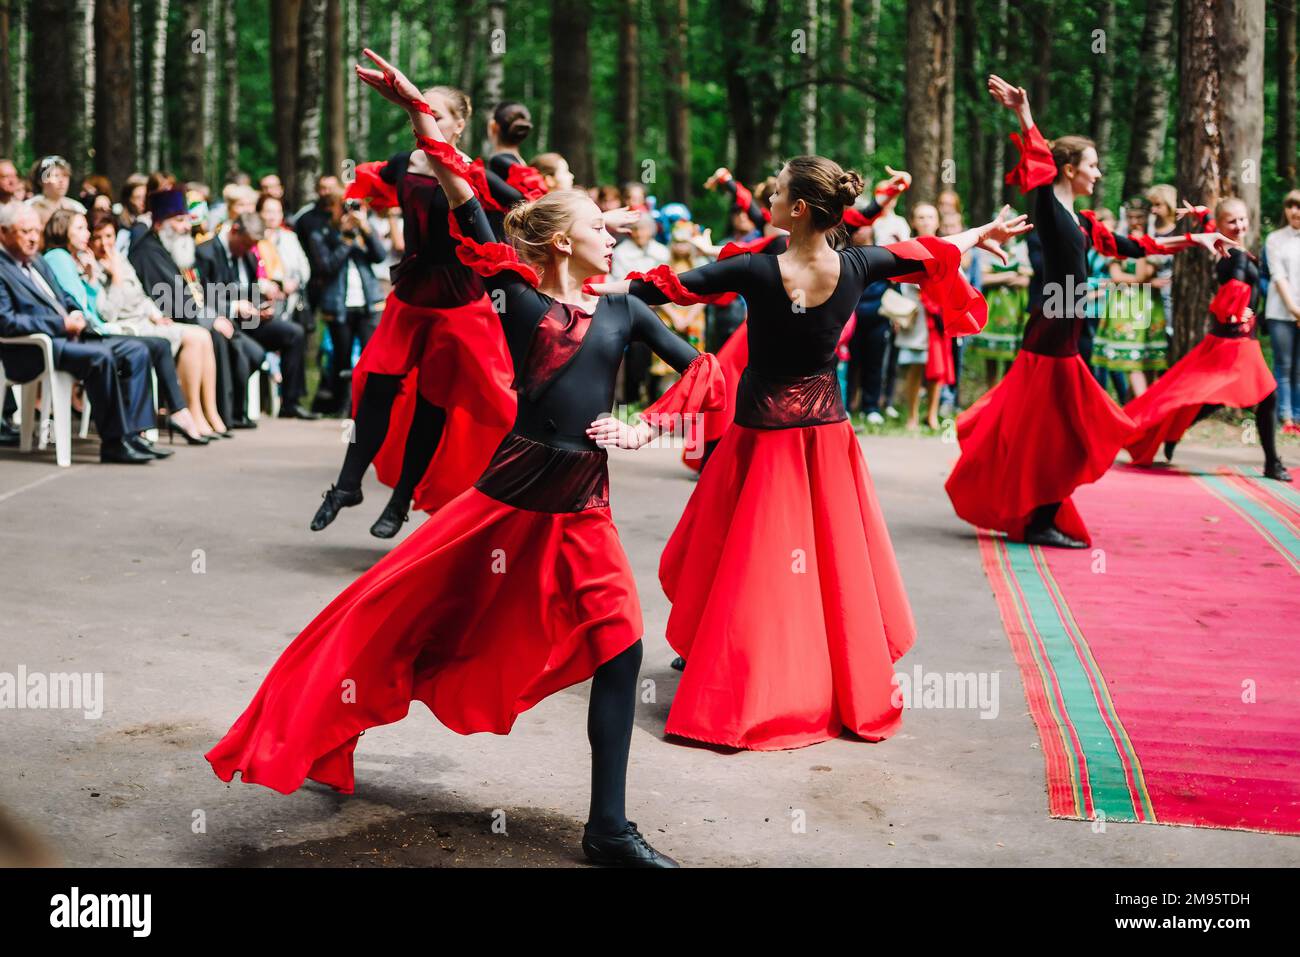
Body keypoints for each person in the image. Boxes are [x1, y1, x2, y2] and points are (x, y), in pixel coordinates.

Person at [207, 50, 728, 868]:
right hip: (506, 497)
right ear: (561, 241)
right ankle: (311, 725)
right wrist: (419, 109)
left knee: (622, 650)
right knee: (390, 612)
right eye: (599, 225)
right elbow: (461, 194)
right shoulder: (519, 293)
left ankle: (609, 829)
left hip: (583, 507)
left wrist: (649, 428)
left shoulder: (625, 310)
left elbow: (706, 372)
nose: (614, 232)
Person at [592, 155, 1022, 751]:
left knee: (747, 556)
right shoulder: (857, 265)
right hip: (826, 436)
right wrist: (981, 233)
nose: (766, 198)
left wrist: (581, 282)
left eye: (775, 192)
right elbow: (931, 250)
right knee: (823, 564)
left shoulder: (756, 270)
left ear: (797, 209)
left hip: (761, 436)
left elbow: (663, 287)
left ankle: (741, 684)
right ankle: (822, 677)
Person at [945, 75, 1235, 549]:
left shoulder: (1081, 221)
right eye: (1092, 166)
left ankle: (1038, 513)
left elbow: (1130, 245)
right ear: (1067, 170)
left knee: (1048, 427)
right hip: (1052, 332)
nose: (1098, 174)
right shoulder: (1048, 205)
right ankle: (1038, 517)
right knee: (1059, 427)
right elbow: (1037, 160)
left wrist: (1193, 239)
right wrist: (1024, 113)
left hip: (1063, 332)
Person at [309, 78, 521, 538]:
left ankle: (402, 498)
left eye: (436, 113)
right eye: (420, 112)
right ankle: (347, 485)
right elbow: (364, 188)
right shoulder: (405, 164)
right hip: (409, 298)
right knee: (377, 384)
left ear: (460, 125)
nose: (424, 120)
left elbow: (525, 208)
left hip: (458, 305)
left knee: (432, 403)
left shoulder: (473, 174)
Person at [1122, 198, 1290, 481]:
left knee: (1215, 396)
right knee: (1266, 396)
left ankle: (1174, 433)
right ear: (1223, 226)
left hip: (1237, 341)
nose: (1239, 226)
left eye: (1242, 219)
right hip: (1234, 343)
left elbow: (1214, 226)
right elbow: (1231, 293)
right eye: (1232, 222)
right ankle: (1272, 463)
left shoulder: (1229, 244)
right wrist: (1237, 310)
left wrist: (1202, 215)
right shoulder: (1235, 256)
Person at [0, 203, 156, 463]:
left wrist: (75, 313)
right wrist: (61, 325)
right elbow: (6, 322)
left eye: (36, 231)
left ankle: (133, 435)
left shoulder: (37, 261)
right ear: (3, 233)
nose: (32, 238)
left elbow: (62, 298)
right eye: (25, 231)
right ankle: (114, 443)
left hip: (69, 336)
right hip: (32, 349)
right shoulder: (3, 269)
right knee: (101, 356)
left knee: (136, 349)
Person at [41, 209, 202, 449]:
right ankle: (142, 428)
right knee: (150, 346)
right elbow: (84, 307)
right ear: (62, 229)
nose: (87, 235)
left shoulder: (79, 259)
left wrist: (93, 280)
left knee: (157, 345)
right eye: (81, 229)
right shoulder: (59, 257)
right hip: (97, 329)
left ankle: (143, 428)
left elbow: (94, 302)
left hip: (106, 325)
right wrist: (103, 277)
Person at [90, 213, 226, 440]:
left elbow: (140, 295)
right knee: (192, 338)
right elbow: (108, 313)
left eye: (109, 236)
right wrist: (115, 278)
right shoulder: (92, 268)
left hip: (144, 320)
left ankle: (207, 411)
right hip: (127, 327)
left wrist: (155, 313)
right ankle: (190, 411)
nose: (105, 243)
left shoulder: (119, 259)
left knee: (202, 335)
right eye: (98, 237)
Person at [195, 212, 318, 420]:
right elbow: (202, 296)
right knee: (253, 352)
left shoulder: (249, 254)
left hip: (249, 319)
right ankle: (233, 410)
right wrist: (235, 307)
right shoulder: (206, 252)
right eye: (245, 244)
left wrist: (261, 305)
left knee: (294, 333)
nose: (247, 249)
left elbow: (249, 288)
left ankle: (290, 402)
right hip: (223, 318)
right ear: (235, 231)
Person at [305, 189, 387, 414]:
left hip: (369, 303)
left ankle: (369, 408)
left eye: (355, 207)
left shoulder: (365, 230)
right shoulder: (322, 234)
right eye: (346, 207)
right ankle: (342, 407)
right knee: (341, 359)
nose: (351, 212)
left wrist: (365, 229)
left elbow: (380, 256)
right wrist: (346, 238)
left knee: (372, 357)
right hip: (338, 305)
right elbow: (327, 266)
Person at [1263, 189, 1300, 435]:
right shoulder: (1275, 239)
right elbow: (1278, 276)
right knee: (1284, 365)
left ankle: (1298, 416)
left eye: (1298, 206)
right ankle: (1285, 416)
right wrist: (1295, 310)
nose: (1294, 212)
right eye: (1290, 206)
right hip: (1280, 312)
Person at [26, 156, 86, 227]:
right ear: (40, 180)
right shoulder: (28, 208)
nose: (62, 181)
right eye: (56, 175)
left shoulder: (77, 208)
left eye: (65, 175)